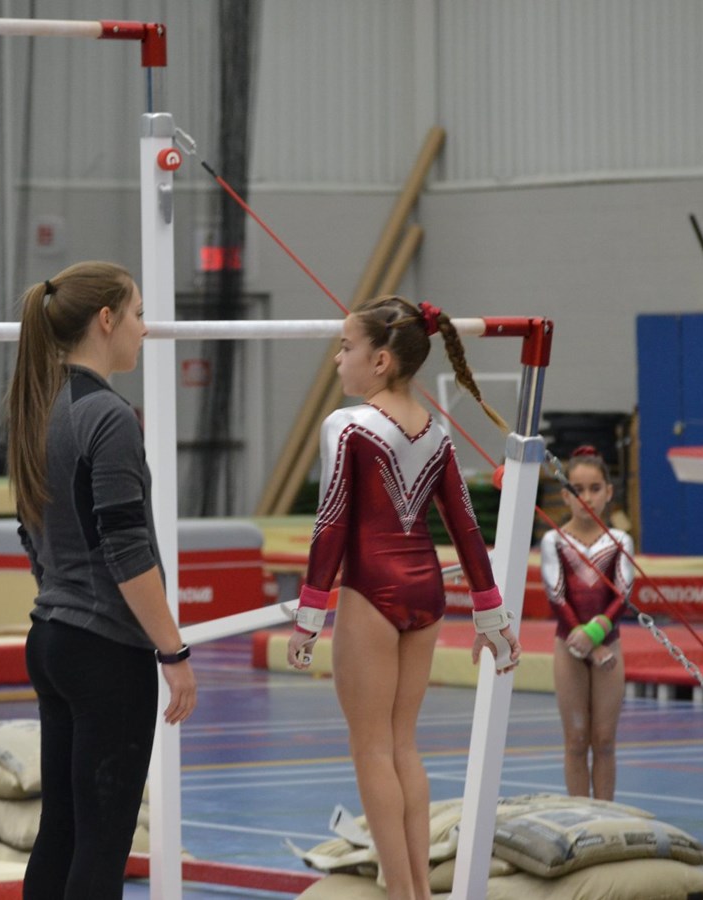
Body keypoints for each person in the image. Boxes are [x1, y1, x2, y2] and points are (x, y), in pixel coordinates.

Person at [286, 296, 521, 900]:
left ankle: (402, 892)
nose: (337, 358)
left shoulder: (347, 425)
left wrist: (309, 615)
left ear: (381, 360)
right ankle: (416, 888)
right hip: (425, 591)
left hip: (372, 591)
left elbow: (331, 524)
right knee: (403, 745)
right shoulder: (435, 433)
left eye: (346, 347)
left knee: (370, 749)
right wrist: (491, 614)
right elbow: (466, 525)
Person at [6, 261, 196, 900]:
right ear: (106, 320)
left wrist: (59, 591)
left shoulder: (38, 406)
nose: (146, 328)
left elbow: (29, 530)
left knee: (60, 832)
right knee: (102, 844)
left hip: (51, 638)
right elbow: (126, 549)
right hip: (105, 652)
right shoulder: (108, 416)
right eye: (139, 313)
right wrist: (173, 651)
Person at [540, 445, 633, 801]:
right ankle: (580, 818)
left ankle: (604, 817)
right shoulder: (554, 540)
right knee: (577, 740)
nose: (587, 498)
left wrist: (595, 635)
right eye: (578, 490)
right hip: (569, 646)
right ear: (566, 496)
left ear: (608, 492)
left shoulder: (620, 541)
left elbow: (622, 596)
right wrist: (586, 644)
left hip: (609, 644)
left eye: (595, 489)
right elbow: (557, 597)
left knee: (605, 741)